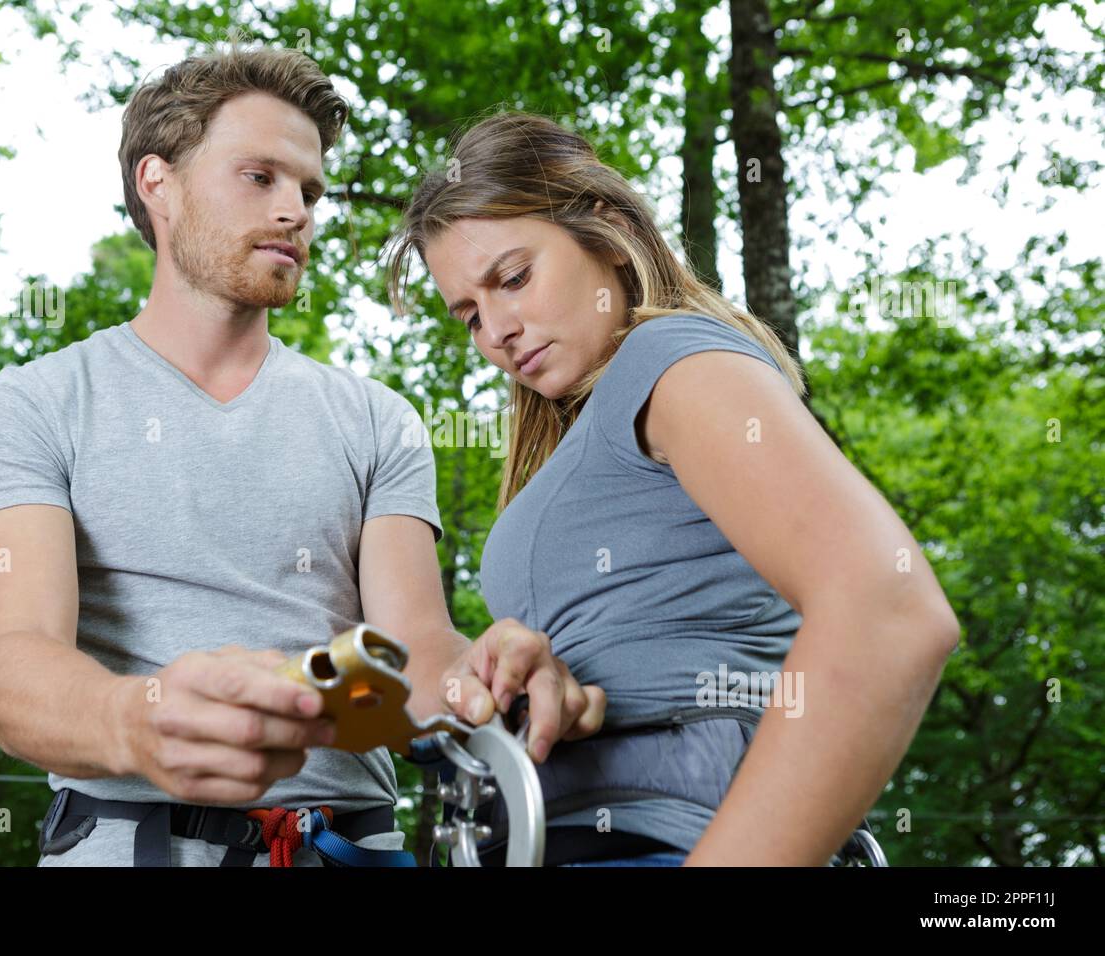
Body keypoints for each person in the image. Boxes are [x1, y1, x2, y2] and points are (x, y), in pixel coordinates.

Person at [0, 48, 605, 867]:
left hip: (352, 847)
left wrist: (491, 677)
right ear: (159, 184)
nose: (296, 210)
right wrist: (138, 720)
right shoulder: (24, 409)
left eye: (309, 190)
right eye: (260, 178)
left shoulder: (377, 420)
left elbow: (415, 657)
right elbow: (16, 674)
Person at [386, 111, 960, 866]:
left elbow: (890, 610)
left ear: (607, 230)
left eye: (515, 278)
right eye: (469, 314)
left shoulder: (669, 359)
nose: (497, 330)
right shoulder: (593, 434)